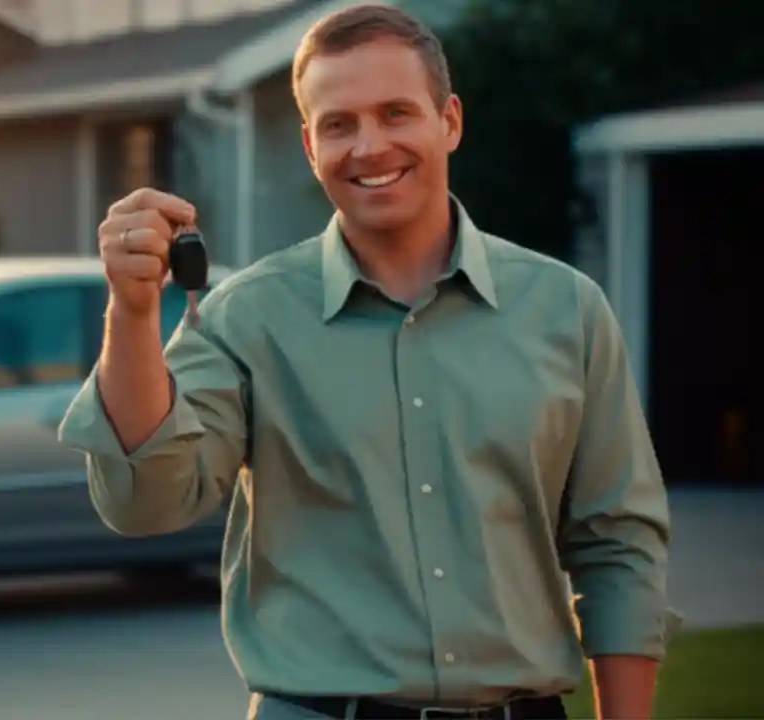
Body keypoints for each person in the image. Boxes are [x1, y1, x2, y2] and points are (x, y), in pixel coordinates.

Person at [58, 3, 674, 719]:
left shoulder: (566, 309)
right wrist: (133, 311)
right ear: (309, 145)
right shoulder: (244, 319)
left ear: (449, 121)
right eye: (339, 124)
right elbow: (146, 503)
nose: (369, 146)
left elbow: (618, 544)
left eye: (395, 113)